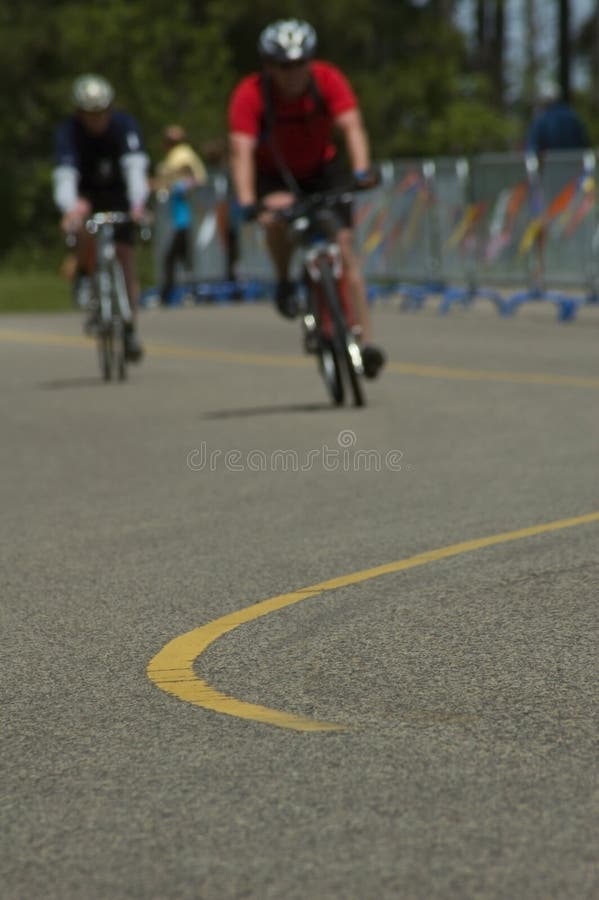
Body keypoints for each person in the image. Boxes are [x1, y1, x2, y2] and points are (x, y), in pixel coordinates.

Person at [227, 18, 385, 378]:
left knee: (344, 249)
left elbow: (352, 126)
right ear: (268, 66)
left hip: (322, 169)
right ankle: (284, 280)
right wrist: (249, 201)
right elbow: (241, 150)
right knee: (275, 223)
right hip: (274, 174)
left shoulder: (328, 79)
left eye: (300, 64)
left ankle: (365, 344)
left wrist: (362, 171)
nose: (292, 74)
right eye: (283, 66)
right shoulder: (250, 94)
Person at [53, 74, 150, 361]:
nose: (96, 119)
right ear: (80, 112)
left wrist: (138, 205)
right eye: (90, 113)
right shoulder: (69, 133)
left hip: (119, 193)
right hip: (86, 195)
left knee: (125, 255)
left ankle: (130, 327)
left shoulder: (124, 126)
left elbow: (135, 168)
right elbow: (65, 175)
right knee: (81, 223)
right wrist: (69, 209)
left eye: (101, 112)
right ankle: (84, 273)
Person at [152, 125, 207, 303]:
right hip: (179, 222)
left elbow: (187, 174)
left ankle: (172, 294)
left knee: (174, 258)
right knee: (183, 259)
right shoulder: (177, 164)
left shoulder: (182, 156)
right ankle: (186, 292)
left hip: (184, 222)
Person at [526, 78, 590, 155]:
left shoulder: (541, 119)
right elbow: (584, 144)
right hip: (572, 161)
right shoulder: (573, 116)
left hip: (549, 162)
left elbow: (533, 148)